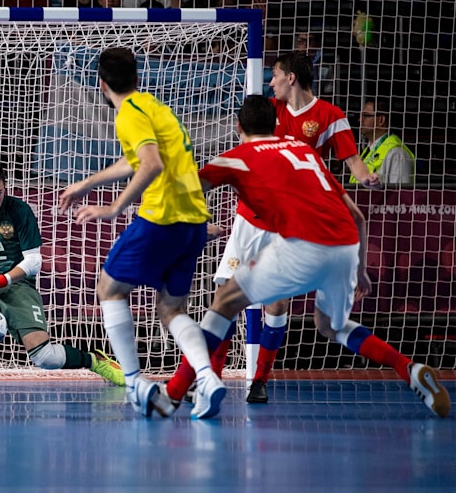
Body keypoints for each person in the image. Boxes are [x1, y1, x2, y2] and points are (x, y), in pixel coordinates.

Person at [166, 95, 450, 419]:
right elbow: (358, 216)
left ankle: (177, 391)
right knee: (331, 326)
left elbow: (186, 191)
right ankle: (409, 368)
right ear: (276, 124)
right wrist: (360, 270)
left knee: (225, 302)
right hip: (343, 247)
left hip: (300, 243)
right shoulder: (303, 150)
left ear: (238, 126)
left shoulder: (239, 155)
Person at [167, 50, 383, 406]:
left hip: (289, 223)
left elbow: (354, 163)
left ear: (291, 78)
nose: (271, 81)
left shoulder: (330, 116)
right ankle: (210, 381)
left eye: (276, 75)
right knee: (224, 297)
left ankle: (259, 381)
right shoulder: (268, 110)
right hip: (249, 220)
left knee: (277, 305)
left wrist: (367, 179)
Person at [58, 47, 224, 419]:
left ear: (101, 85)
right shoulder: (154, 106)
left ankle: (134, 382)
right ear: (137, 78)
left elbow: (150, 164)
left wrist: (113, 207)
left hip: (161, 216)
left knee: (109, 288)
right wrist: (87, 182)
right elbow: (134, 160)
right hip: (193, 218)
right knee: (170, 307)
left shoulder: (128, 115)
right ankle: (208, 378)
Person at [0, 160, 125, 387]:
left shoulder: (19, 211)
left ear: (4, 188)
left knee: (45, 357)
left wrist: (3, 279)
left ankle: (95, 360)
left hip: (17, 289)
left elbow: (34, 260)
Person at [350, 98, 415, 186]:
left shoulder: (397, 153)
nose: (360, 120)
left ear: (381, 120)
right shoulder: (368, 151)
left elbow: (399, 195)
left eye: (366, 115)